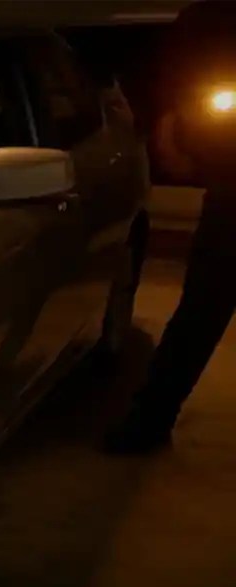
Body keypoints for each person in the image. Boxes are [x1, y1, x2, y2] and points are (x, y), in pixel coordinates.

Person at [104, 0, 236, 454]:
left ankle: (150, 420)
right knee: (202, 308)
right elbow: (177, 81)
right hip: (232, 190)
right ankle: (150, 420)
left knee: (202, 308)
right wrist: (174, 128)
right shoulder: (210, 19)